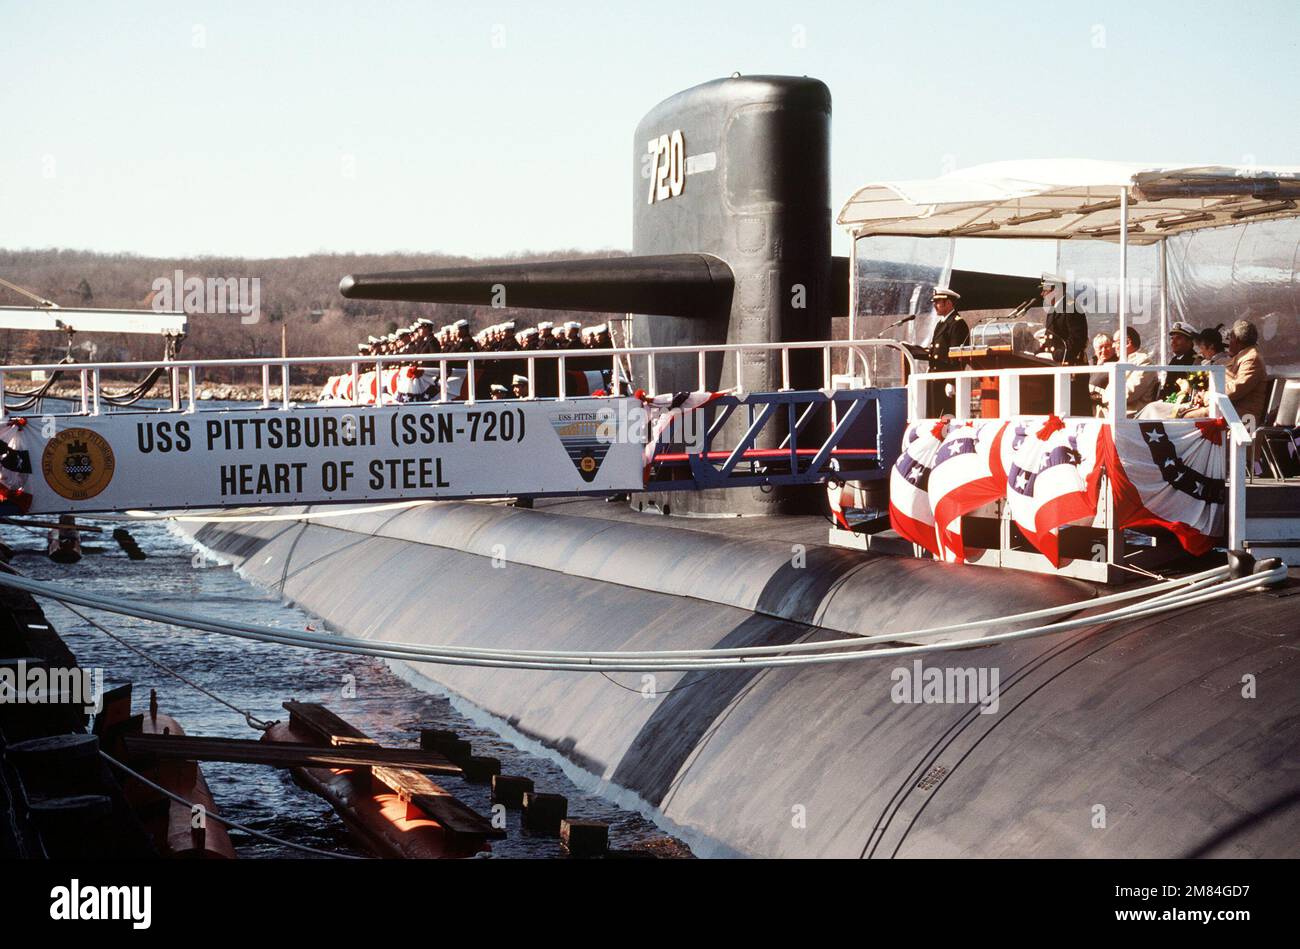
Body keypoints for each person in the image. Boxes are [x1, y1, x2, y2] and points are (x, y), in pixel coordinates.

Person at [1181, 320, 1268, 424]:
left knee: (1187, 417)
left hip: (1241, 413)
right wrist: (1204, 394)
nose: (1227, 343)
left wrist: (1208, 396)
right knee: (1180, 411)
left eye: (1230, 338)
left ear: (1237, 339)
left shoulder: (1251, 358)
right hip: (1229, 407)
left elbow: (1236, 388)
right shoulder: (1243, 356)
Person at [925, 287, 968, 415]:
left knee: (947, 416)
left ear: (948, 303)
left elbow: (958, 356)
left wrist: (951, 381)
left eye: (938, 301)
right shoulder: (941, 324)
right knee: (934, 416)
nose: (935, 305)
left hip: (946, 379)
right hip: (935, 377)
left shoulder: (957, 324)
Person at [1100, 327, 1158, 416]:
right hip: (1114, 412)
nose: (1113, 346)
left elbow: (1128, 393)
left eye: (1116, 342)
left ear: (1127, 342)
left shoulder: (1144, 362)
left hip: (1130, 417)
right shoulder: (1121, 363)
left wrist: (1105, 397)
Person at [1155, 321, 1200, 402]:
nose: (1173, 342)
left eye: (1178, 338)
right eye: (1172, 338)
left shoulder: (1196, 361)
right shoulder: (1174, 360)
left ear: (1189, 342)